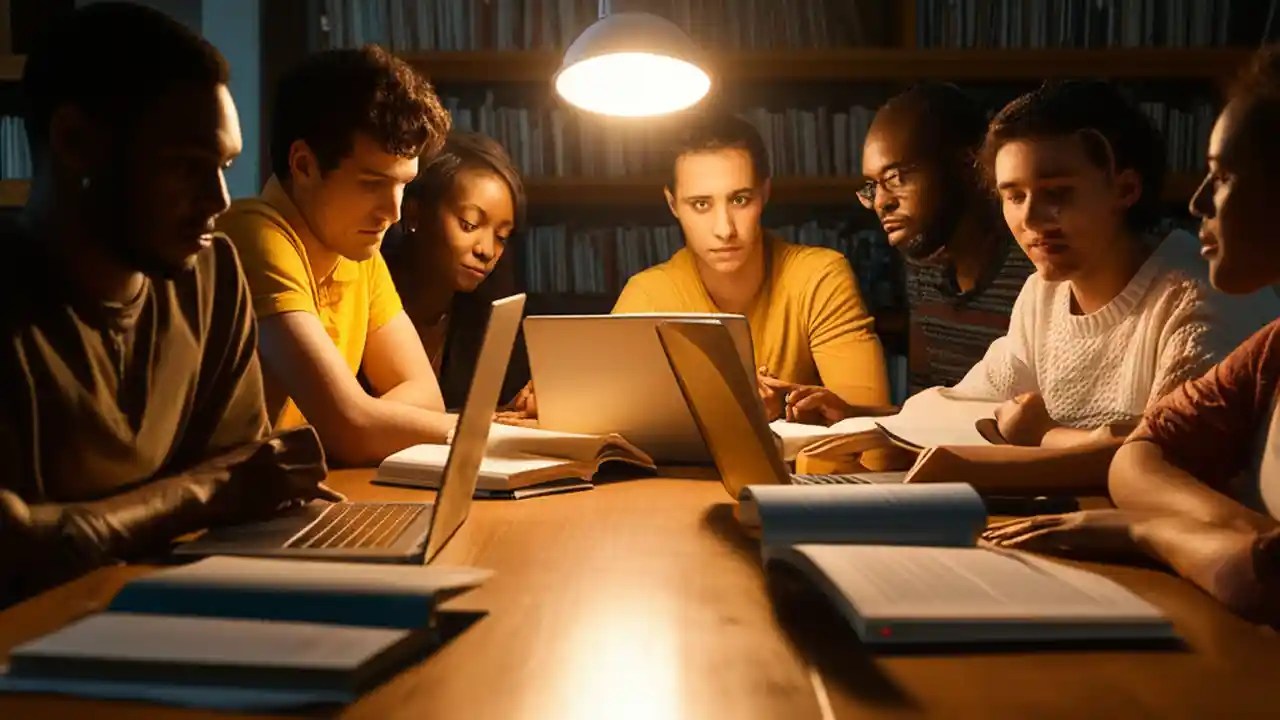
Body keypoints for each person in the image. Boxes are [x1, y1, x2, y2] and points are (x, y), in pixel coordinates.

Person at [0, 2, 334, 607]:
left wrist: (218, 491)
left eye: (225, 166)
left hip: (167, 613)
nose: (219, 200)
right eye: (186, 166)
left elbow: (245, 476)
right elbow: (15, 551)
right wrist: (204, 493)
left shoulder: (212, 274)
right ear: (75, 141)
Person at [984, 48, 1280, 625]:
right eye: (1012, 194)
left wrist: (1150, 529)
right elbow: (1139, 456)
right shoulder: (1270, 350)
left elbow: (1260, 578)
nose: (1196, 204)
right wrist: (1251, 540)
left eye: (1221, 177)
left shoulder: (1205, 299)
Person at [904, 81, 1280, 493]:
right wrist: (872, 422)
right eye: (1013, 196)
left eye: (1057, 193)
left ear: (1125, 188)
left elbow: (1166, 459)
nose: (1030, 218)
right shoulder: (1042, 295)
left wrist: (1038, 437)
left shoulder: (1202, 291)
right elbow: (972, 403)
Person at [508, 112, 890, 422]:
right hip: (676, 497)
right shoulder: (649, 294)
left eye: (740, 199)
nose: (724, 229)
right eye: (701, 205)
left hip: (800, 498)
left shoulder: (818, 277)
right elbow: (610, 428)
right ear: (673, 205)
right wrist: (557, 402)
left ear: (765, 194)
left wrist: (783, 405)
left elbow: (872, 433)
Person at [216, 46, 454, 466]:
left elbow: (426, 399)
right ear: (304, 165)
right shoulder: (253, 233)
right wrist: (480, 431)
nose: (394, 212)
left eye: (403, 185)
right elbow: (351, 431)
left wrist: (362, 419)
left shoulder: (357, 246)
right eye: (372, 183)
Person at [384, 131, 529, 407]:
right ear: (414, 213)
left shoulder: (486, 319)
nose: (486, 250)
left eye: (502, 236)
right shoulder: (366, 291)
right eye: (470, 225)